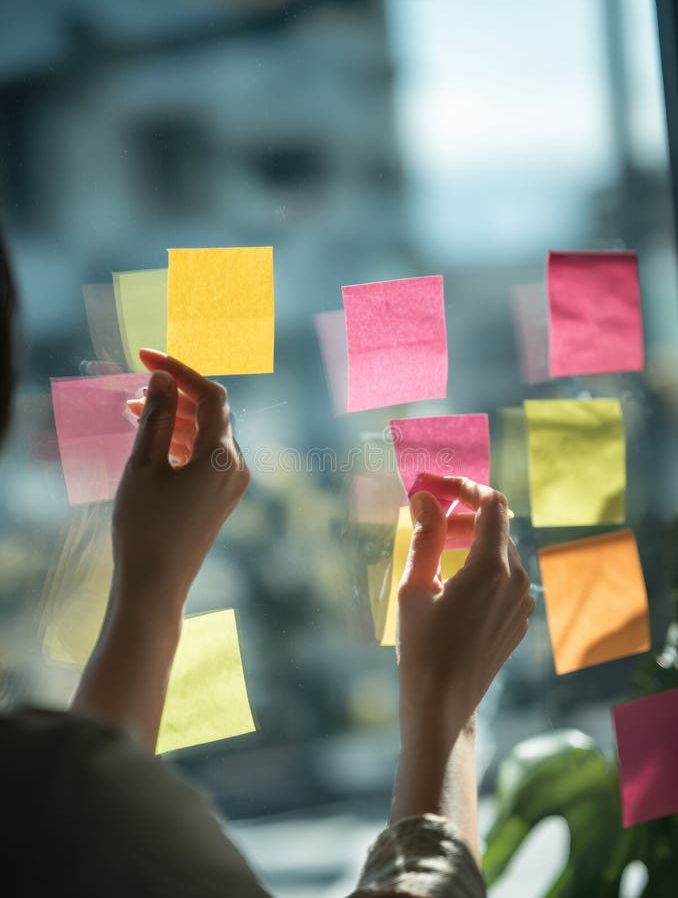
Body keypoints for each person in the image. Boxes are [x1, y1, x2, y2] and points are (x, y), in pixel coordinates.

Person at [0, 234, 534, 896]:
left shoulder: (44, 785)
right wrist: (448, 710)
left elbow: (77, 824)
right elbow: (82, 811)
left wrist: (150, 581)